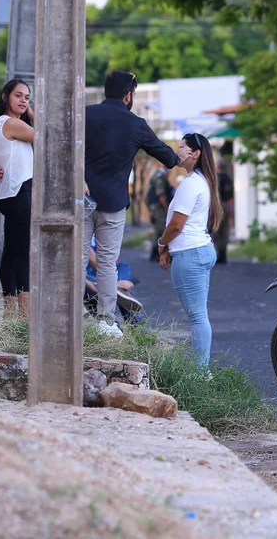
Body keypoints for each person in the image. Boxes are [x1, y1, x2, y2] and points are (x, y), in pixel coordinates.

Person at [84, 71, 181, 338]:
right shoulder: (134, 123)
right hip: (112, 205)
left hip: (81, 199)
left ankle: (72, 315)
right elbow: (166, 155)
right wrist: (179, 156)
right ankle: (105, 320)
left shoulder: (85, 115)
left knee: (76, 259)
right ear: (128, 96)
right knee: (106, 262)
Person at [158, 133, 223, 369]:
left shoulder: (190, 183)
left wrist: (161, 244)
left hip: (190, 253)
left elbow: (177, 224)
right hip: (197, 250)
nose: (177, 150)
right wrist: (167, 248)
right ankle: (201, 371)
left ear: (196, 153)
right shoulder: (199, 181)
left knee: (197, 317)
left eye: (183, 147)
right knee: (199, 315)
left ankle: (201, 375)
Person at [0, 79, 35, 319]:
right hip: (20, 192)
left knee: (11, 250)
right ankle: (25, 315)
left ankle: (10, 312)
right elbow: (46, 137)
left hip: (9, 193)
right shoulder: (11, 124)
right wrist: (33, 114)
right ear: (5, 96)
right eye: (19, 96)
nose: (24, 101)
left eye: (27, 97)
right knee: (23, 253)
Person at [146, 167, 173, 262]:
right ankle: (157, 253)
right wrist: (166, 208)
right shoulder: (160, 178)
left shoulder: (157, 176)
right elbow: (161, 194)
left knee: (157, 229)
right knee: (161, 229)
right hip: (159, 208)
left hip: (155, 207)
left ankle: (155, 253)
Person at [214, 159, 234, 264]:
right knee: (225, 231)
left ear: (218, 166)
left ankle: (217, 255)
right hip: (226, 204)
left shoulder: (216, 177)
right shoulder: (228, 178)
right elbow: (231, 193)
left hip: (218, 205)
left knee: (216, 230)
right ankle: (223, 255)